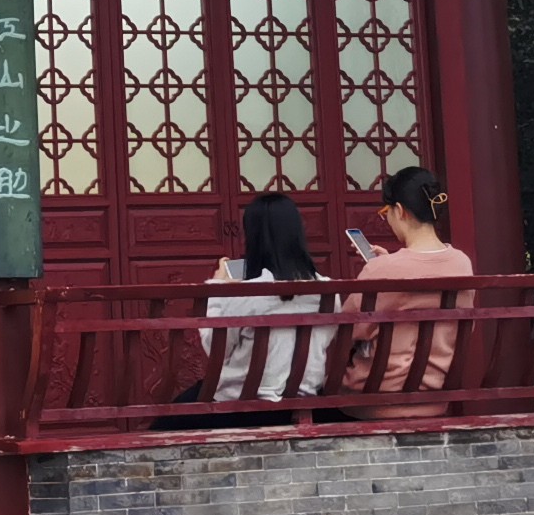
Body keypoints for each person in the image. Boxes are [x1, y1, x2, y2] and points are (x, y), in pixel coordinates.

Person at [342, 166, 476, 396]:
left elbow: (346, 328)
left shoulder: (382, 270)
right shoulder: (462, 263)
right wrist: (385, 264)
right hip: (436, 394)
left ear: (401, 211)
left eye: (387, 212)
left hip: (375, 395)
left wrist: (378, 267)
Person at [203, 194, 328, 409]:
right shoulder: (328, 290)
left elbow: (216, 350)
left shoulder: (244, 294)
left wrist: (217, 288)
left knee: (166, 423)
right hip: (306, 398)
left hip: (244, 403)